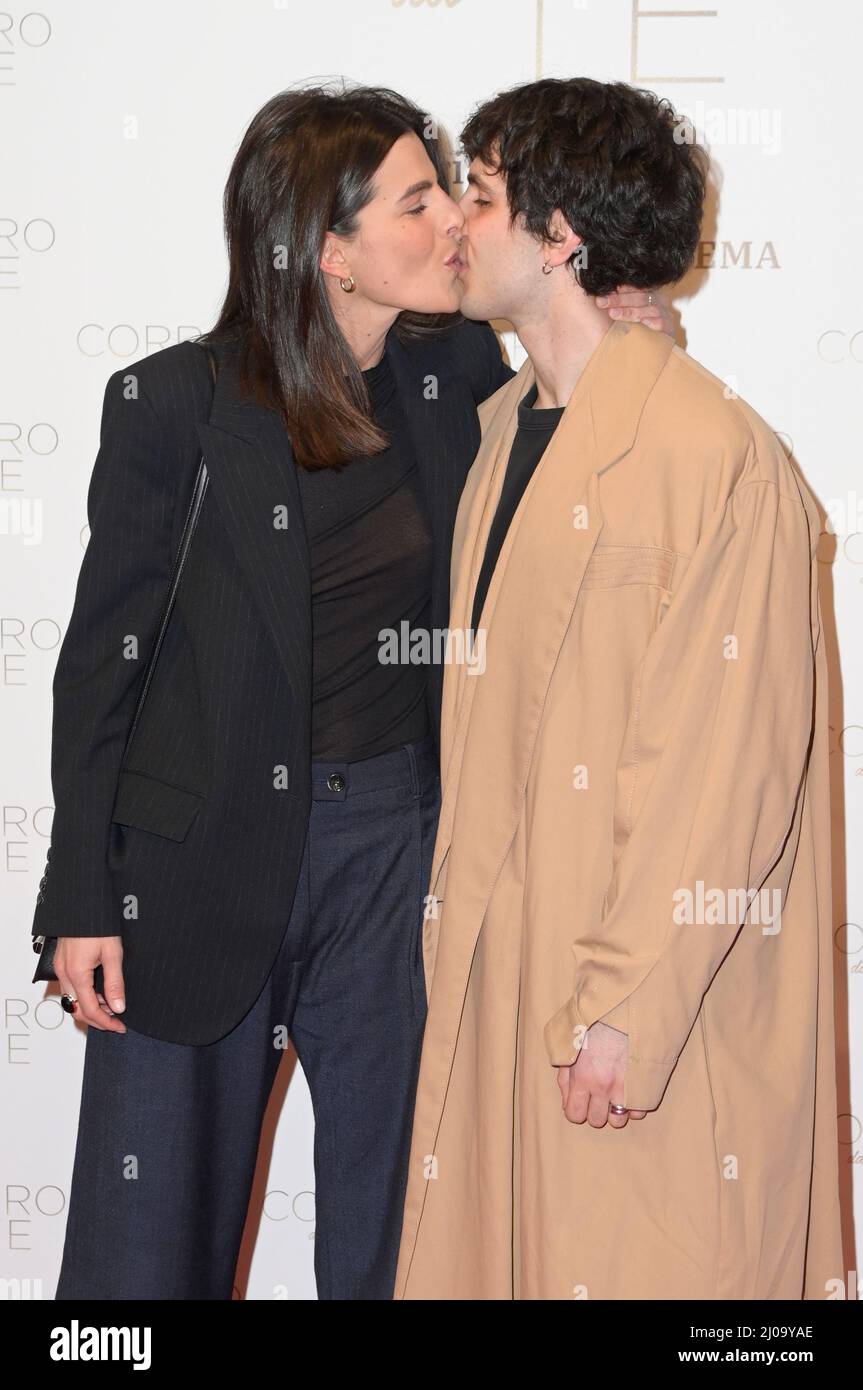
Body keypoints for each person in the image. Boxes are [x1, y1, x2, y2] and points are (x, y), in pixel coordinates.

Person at [33, 80, 669, 1301]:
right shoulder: (173, 404)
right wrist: (81, 897)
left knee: (401, 1233)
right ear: (330, 250)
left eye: (449, 193)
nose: (452, 222)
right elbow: (103, 667)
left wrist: (617, 336)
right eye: (417, 202)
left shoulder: (452, 373)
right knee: (141, 1249)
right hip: (196, 860)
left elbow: (559, 470)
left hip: (395, 856)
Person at [393, 76, 843, 1300]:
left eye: (481, 195)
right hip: (509, 980)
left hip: (631, 1011)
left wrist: (626, 1007)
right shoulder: (502, 434)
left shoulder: (714, 456)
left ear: (559, 237)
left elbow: (724, 767)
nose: (454, 221)